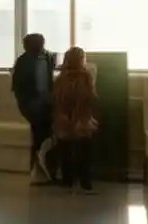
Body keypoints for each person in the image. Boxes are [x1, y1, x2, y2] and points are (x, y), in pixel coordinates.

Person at [52, 46, 98, 195]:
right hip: (81, 120)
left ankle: (67, 181)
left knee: (65, 151)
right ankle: (85, 183)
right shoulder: (86, 77)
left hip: (63, 120)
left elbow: (56, 100)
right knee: (84, 152)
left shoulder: (60, 78)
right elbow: (89, 98)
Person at [11, 33, 55, 183]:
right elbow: (17, 86)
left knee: (43, 134)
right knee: (40, 132)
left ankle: (40, 170)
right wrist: (29, 101)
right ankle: (38, 169)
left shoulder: (48, 57)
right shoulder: (23, 61)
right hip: (31, 103)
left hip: (45, 102)